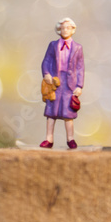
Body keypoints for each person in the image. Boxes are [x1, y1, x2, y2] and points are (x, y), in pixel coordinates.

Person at [40, 18, 84, 149]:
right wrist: (47, 73)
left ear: (72, 30)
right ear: (59, 30)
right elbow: (46, 61)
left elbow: (80, 68)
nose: (65, 30)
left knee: (68, 114)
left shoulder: (78, 48)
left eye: (68, 28)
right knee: (51, 112)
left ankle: (70, 139)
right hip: (55, 82)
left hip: (69, 83)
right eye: (63, 28)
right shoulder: (53, 45)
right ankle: (49, 138)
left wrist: (79, 86)